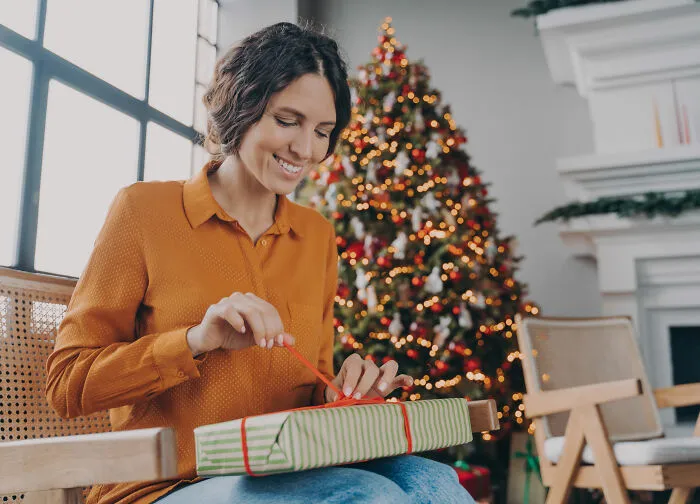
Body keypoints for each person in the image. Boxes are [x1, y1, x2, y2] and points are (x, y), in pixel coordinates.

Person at [45, 21, 476, 504]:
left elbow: (308, 389)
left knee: (437, 486)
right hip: (162, 487)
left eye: (322, 131)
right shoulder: (143, 212)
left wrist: (343, 394)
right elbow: (67, 387)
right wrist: (197, 340)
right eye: (288, 121)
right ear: (242, 107)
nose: (305, 149)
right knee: (364, 496)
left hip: (281, 475)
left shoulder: (316, 235)